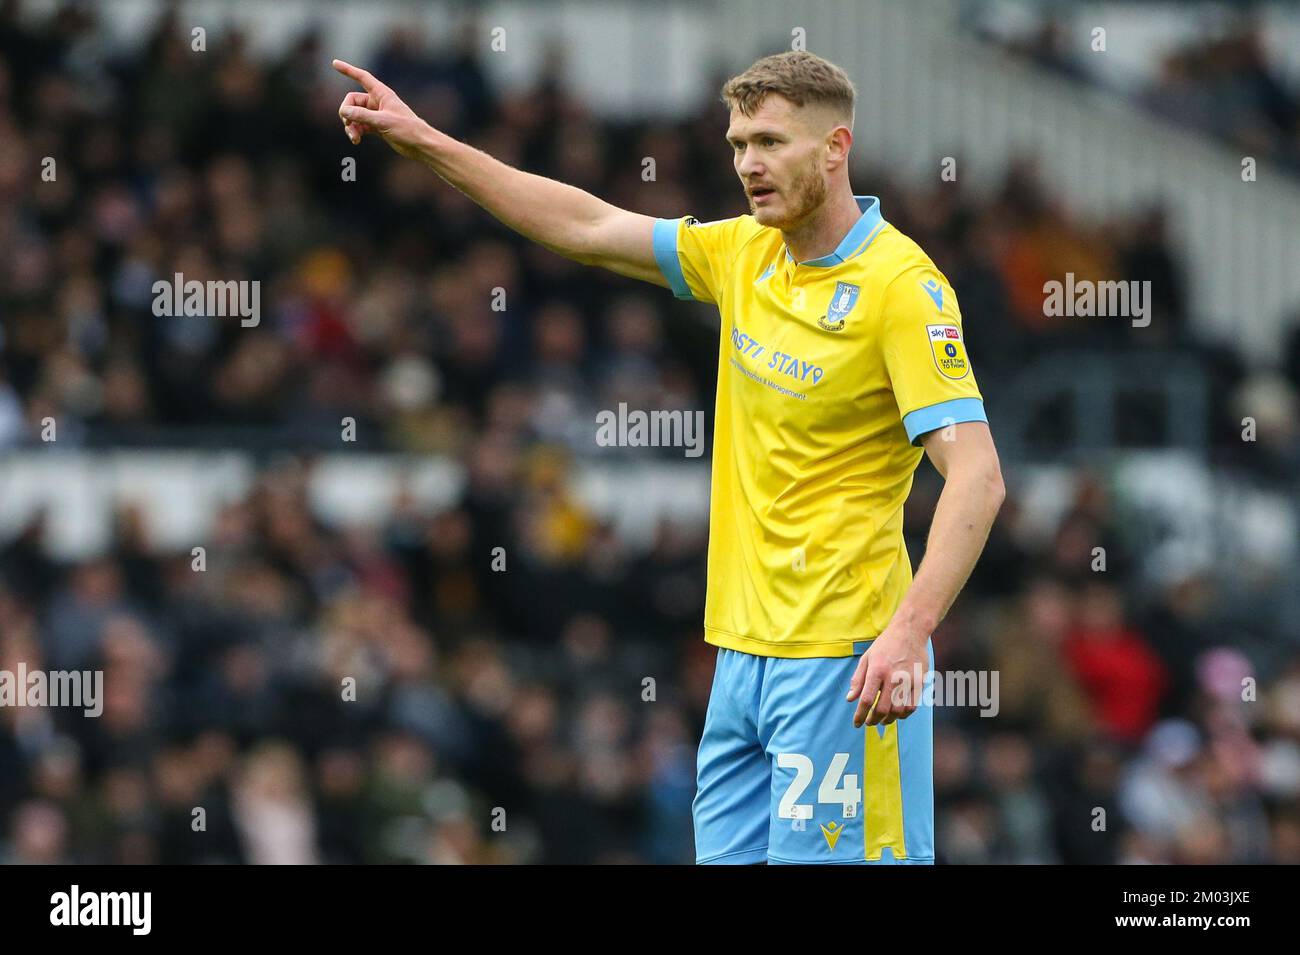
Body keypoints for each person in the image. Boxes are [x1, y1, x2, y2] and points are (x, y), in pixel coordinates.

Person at [333, 49, 1005, 864]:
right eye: (736, 146)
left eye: (769, 142)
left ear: (835, 147)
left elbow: (977, 473)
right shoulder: (743, 254)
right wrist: (429, 142)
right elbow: (585, 225)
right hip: (740, 663)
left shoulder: (902, 287)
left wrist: (909, 632)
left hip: (844, 660)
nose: (748, 166)